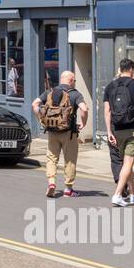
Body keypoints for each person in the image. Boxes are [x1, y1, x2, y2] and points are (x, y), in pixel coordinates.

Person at [33, 70, 89, 198]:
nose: (75, 83)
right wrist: (84, 123)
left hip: (52, 131)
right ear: (70, 80)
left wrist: (42, 119)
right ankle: (68, 189)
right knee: (70, 160)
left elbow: (34, 104)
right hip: (69, 133)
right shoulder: (75, 94)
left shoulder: (50, 92)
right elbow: (84, 109)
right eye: (74, 80)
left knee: (52, 158)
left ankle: (52, 182)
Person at [103, 59, 134, 207]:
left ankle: (133, 193)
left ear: (120, 69)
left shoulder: (110, 86)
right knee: (128, 163)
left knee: (125, 164)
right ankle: (117, 194)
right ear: (131, 70)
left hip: (117, 129)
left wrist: (109, 131)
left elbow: (107, 111)